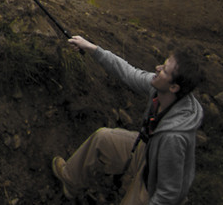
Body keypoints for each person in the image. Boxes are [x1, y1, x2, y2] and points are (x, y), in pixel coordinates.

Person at [51, 35, 203, 205]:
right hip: (146, 149)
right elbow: (128, 73)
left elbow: (169, 193)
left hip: (153, 182)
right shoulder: (160, 89)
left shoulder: (173, 137)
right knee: (103, 138)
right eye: (163, 64)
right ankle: (70, 180)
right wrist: (92, 48)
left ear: (174, 87)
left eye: (164, 70)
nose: (157, 68)